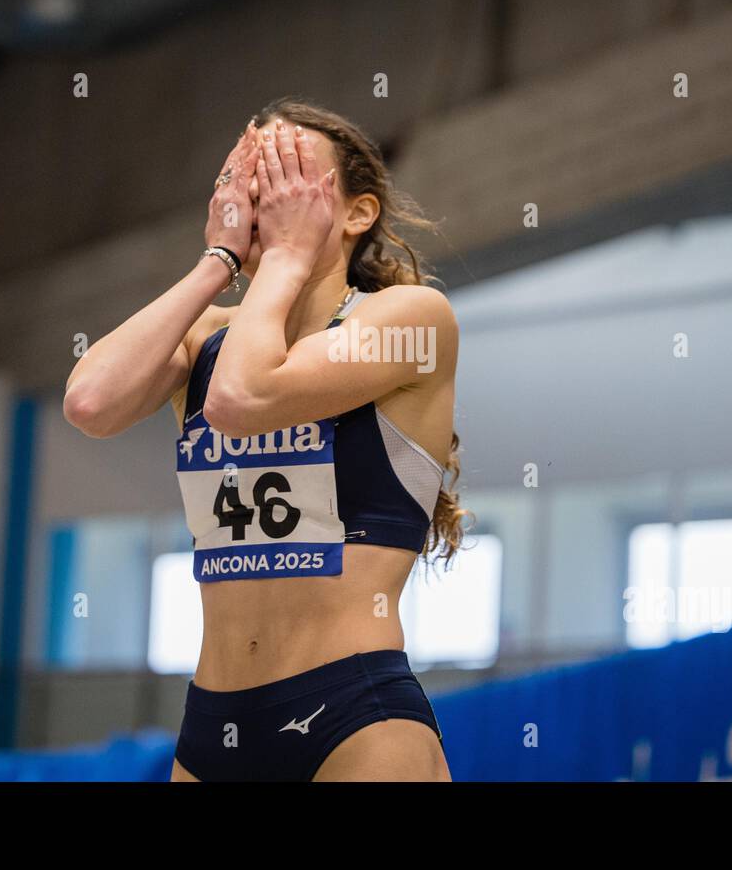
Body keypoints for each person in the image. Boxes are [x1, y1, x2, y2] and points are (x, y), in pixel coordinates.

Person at [64, 99, 467, 781]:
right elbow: (90, 402)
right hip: (213, 723)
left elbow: (243, 397)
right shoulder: (204, 338)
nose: (266, 196)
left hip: (352, 713)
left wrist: (282, 257)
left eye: (289, 178)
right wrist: (217, 260)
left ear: (357, 213)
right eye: (252, 180)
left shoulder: (411, 320)